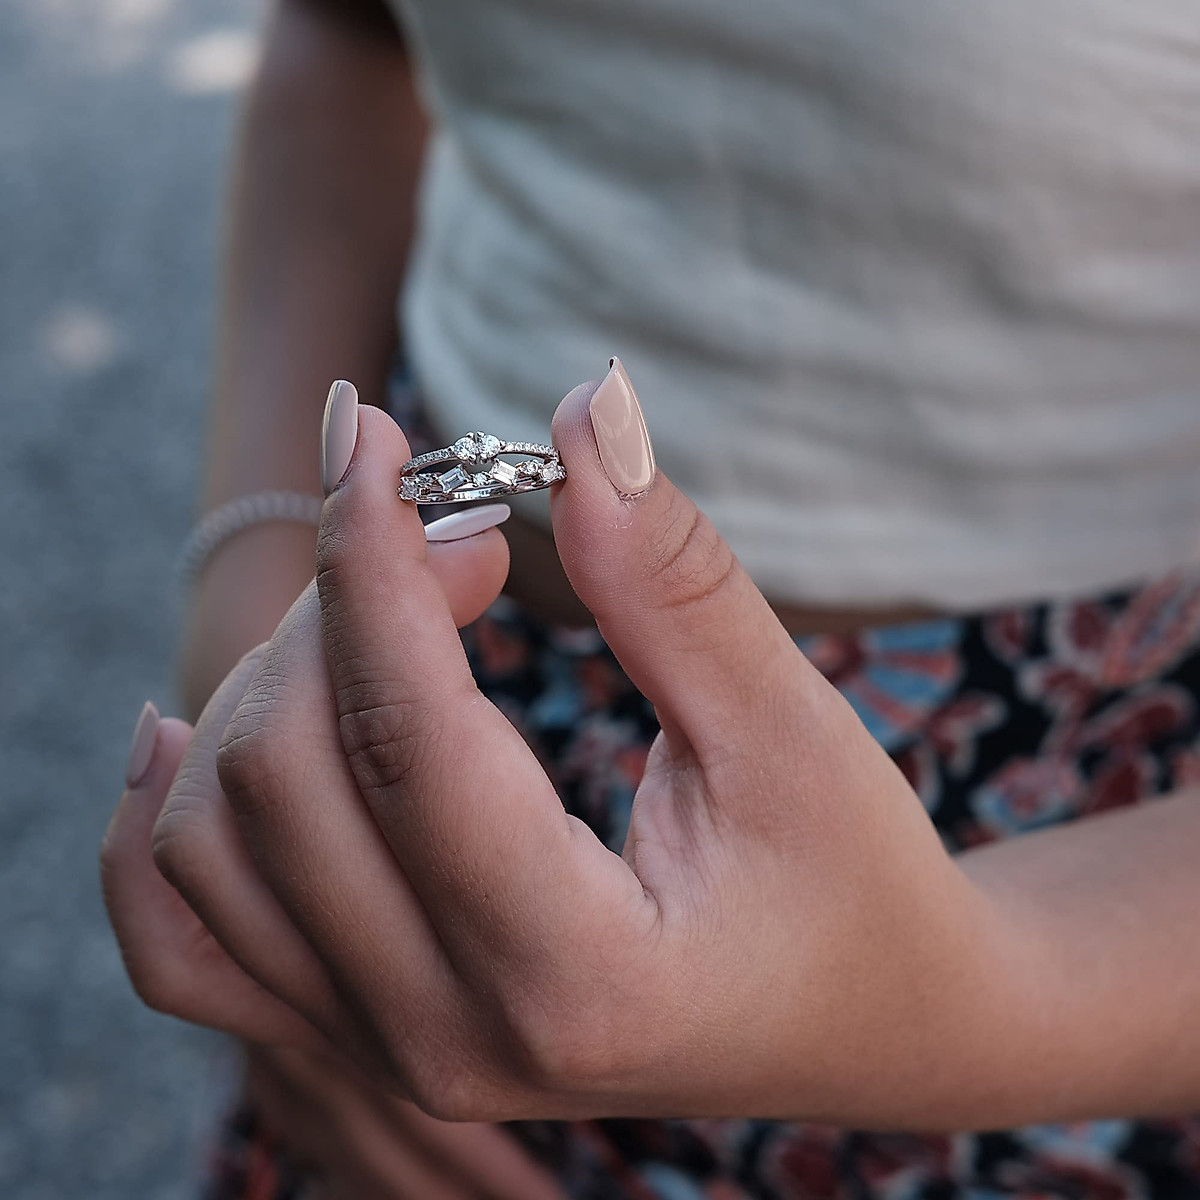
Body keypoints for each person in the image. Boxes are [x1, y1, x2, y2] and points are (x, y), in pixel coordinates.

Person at [102, 0, 1200, 1195]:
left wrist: (963, 998)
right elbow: (351, 31)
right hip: (430, 716)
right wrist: (259, 576)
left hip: (1069, 858)